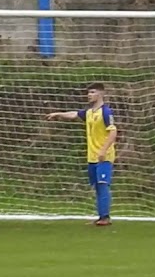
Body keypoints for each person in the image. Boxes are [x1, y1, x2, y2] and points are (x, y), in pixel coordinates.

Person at [46, 83, 118, 226]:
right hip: (92, 156)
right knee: (97, 186)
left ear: (101, 94)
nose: (89, 95)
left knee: (103, 184)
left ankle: (105, 217)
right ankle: (101, 216)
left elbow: (113, 132)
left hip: (104, 156)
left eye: (92, 92)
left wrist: (103, 150)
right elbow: (74, 114)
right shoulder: (89, 112)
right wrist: (58, 114)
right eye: (88, 92)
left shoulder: (106, 112)